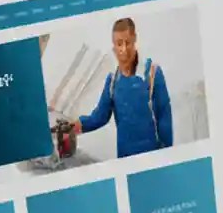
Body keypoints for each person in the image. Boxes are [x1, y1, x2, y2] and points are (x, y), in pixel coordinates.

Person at [74, 18, 173, 158]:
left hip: (152, 158)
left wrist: (168, 156)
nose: (123, 49)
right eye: (119, 44)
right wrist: (73, 127)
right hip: (124, 158)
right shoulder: (113, 80)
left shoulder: (152, 73)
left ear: (135, 39)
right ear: (113, 46)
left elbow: (164, 117)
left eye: (128, 43)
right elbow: (99, 117)